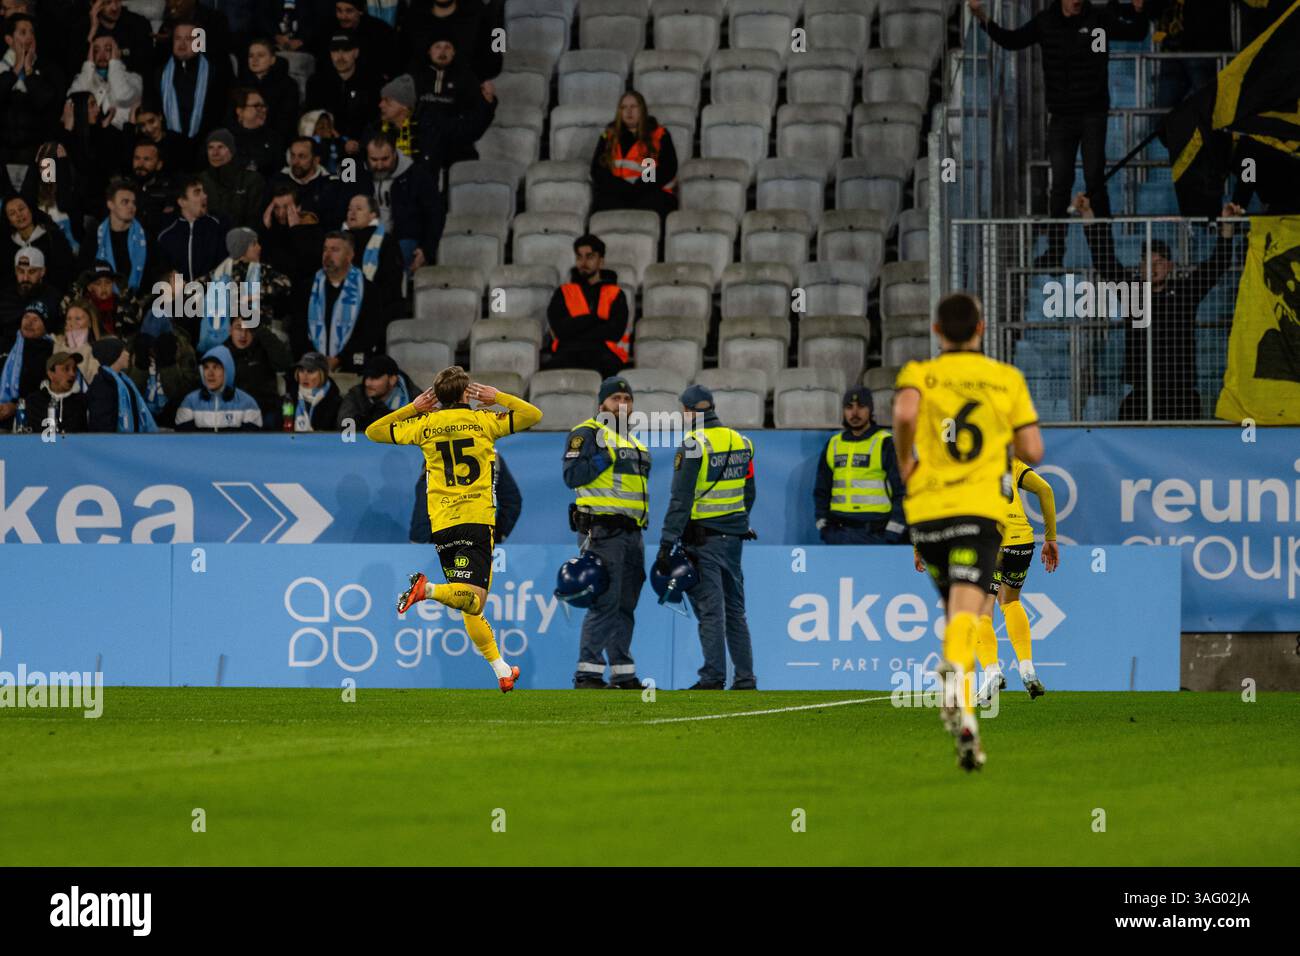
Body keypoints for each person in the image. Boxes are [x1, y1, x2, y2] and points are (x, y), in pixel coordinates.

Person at [891, 292, 1044, 771]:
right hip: (978, 509)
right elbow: (1033, 450)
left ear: (937, 332)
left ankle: (968, 723)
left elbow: (903, 414)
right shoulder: (1006, 378)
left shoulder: (920, 373)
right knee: (970, 606)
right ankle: (957, 674)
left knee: (963, 606)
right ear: (981, 328)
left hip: (928, 509)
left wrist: (905, 461)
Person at [367, 365, 544, 692]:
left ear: (438, 397)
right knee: (474, 601)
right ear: (467, 394)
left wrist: (413, 408)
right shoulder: (484, 422)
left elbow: (373, 432)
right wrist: (497, 397)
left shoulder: (425, 425)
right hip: (476, 519)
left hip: (443, 523)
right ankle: (427, 590)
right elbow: (533, 414)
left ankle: (501, 670)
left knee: (466, 600)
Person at [969, 0, 1149, 272]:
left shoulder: (1098, 18)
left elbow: (1136, 33)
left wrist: (1139, 11)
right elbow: (1012, 40)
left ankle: (1105, 256)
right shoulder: (1045, 21)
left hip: (1093, 113)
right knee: (1060, 185)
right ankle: (1055, 252)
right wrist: (983, 19)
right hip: (1061, 116)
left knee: (1094, 181)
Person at [1075, 192, 1243, 419]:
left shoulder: (1185, 292)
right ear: (1140, 266)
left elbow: (1218, 264)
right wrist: (1087, 214)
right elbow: (1104, 260)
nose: (1152, 268)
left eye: (1159, 262)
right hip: (1142, 391)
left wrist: (1227, 226)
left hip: (1180, 391)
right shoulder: (1132, 293)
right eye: (1147, 262)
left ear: (1170, 266)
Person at [657, 384, 758, 691]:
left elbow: (681, 497)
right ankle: (745, 678)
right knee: (735, 611)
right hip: (734, 538)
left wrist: (666, 541)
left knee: (711, 611)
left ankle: (712, 676)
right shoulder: (742, 441)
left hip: (703, 539)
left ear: (688, 412)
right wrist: (739, 521)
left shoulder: (692, 444)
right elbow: (748, 490)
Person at [562, 375, 651, 689]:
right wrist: (604, 457)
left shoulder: (636, 443)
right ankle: (588, 672)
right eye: (616, 400)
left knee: (625, 605)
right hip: (602, 530)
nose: (622, 405)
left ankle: (623, 671)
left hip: (632, 534)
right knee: (605, 603)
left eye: (627, 400)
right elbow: (572, 475)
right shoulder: (587, 433)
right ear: (602, 404)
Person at [970, 458, 1060, 704]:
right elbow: (1045, 490)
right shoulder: (1009, 461)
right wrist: (1050, 538)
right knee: (1010, 602)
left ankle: (991, 673)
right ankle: (1027, 668)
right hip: (1021, 541)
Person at [813, 387, 907, 545]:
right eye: (849, 407)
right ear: (843, 411)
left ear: (870, 410)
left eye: (861, 406)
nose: (855, 413)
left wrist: (892, 533)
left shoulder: (885, 443)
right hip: (839, 535)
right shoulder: (833, 444)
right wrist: (824, 527)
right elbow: (821, 491)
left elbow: (902, 492)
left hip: (877, 535)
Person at [410, 27, 497, 179]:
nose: (442, 52)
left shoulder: (467, 79)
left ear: (454, 52)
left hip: (458, 145)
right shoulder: (414, 78)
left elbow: (476, 122)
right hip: (419, 146)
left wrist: (488, 102)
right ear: (429, 51)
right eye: (437, 47)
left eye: (447, 47)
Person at [544, 234, 631, 380]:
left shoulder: (615, 294)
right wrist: (595, 319)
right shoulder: (564, 292)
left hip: (603, 354)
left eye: (589, 257)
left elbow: (614, 332)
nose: (583, 262)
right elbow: (560, 329)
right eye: (579, 257)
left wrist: (576, 327)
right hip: (567, 352)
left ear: (601, 261)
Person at [299, 230, 386, 371]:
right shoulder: (307, 288)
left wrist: (339, 360)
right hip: (310, 366)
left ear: (349, 256)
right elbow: (299, 329)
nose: (327, 255)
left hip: (352, 365)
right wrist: (316, 360)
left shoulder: (368, 290)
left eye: (335, 250)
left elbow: (370, 333)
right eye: (325, 249)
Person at [195, 226, 292, 352]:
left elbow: (286, 284)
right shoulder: (219, 274)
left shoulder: (263, 270)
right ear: (242, 248)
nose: (259, 247)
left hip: (259, 339)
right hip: (227, 342)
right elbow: (194, 289)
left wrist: (257, 293)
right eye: (254, 244)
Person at [358, 135, 444, 273]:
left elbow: (435, 215)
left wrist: (426, 250)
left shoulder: (417, 175)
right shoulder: (360, 174)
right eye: (374, 160)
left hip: (402, 238)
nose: (379, 165)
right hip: (366, 236)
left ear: (394, 153)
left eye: (385, 159)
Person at [591, 91, 679, 220]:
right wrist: (622, 188)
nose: (628, 111)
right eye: (624, 107)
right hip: (617, 192)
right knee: (600, 205)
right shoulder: (608, 136)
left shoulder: (659, 134)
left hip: (649, 191)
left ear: (642, 109)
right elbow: (597, 171)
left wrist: (638, 188)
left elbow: (668, 168)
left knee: (660, 204)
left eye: (633, 106)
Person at [152, 20, 227, 156]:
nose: (182, 44)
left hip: (204, 146)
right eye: (178, 38)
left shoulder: (214, 73)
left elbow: (219, 113)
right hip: (168, 147)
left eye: (188, 39)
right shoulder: (160, 74)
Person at [0, 13, 65, 167]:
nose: (29, 37)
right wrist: (16, 68)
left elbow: (47, 104)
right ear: (9, 40)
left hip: (37, 152)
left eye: (32, 32)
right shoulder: (1, 67)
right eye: (23, 33)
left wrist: (29, 71)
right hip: (3, 152)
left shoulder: (48, 69)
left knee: (47, 185)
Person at [410, 453, 520, 543]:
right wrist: (496, 536)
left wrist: (419, 544)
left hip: (445, 540)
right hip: (481, 540)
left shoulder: (435, 455)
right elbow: (512, 501)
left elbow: (425, 501)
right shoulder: (493, 457)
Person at [305, 30, 381, 147]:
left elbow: (375, 119)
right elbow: (311, 116)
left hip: (362, 145)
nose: (340, 57)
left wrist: (359, 142)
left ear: (356, 52)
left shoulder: (372, 82)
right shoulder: (316, 82)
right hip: (325, 143)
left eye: (346, 50)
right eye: (335, 51)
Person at [174, 344, 263, 431]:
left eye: (216, 367)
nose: (210, 374)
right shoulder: (190, 402)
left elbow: (250, 443)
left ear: (228, 371)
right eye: (206, 367)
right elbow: (186, 442)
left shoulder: (248, 403)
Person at [224, 316, 293, 429]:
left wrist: (262, 330)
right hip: (235, 415)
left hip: (266, 411)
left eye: (249, 329)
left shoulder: (264, 348)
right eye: (238, 328)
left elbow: (285, 363)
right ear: (230, 330)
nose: (243, 334)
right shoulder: (222, 353)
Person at [67, 32, 142, 130]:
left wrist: (114, 63)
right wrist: (89, 63)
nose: (102, 55)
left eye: (108, 49)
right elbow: (72, 102)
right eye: (96, 50)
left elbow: (122, 97)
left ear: (118, 51)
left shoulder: (134, 79)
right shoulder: (85, 76)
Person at [3, 194, 76, 294]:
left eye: (21, 209)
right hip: (15, 299)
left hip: (50, 296)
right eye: (12, 213)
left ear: (30, 209)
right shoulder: (6, 245)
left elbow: (64, 273)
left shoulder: (54, 237)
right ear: (9, 221)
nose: (19, 215)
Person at [343, 193, 404, 310]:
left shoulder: (386, 242)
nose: (352, 212)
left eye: (359, 209)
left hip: (376, 305)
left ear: (373, 215)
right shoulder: (337, 240)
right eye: (349, 209)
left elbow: (391, 284)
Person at [156, 178, 225, 281]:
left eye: (204, 192)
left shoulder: (217, 227)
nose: (205, 196)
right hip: (180, 296)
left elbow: (225, 267)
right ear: (182, 202)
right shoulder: (166, 235)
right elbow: (162, 273)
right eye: (197, 193)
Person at [91, 179, 152, 294]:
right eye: (125, 202)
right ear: (110, 204)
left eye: (133, 202)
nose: (131, 207)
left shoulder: (145, 237)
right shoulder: (94, 236)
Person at [85, 334, 157, 431]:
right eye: (123, 350)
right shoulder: (103, 384)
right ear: (113, 353)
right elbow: (102, 425)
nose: (127, 354)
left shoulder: (122, 379)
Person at [0, 302, 54, 426]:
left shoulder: (50, 352)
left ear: (45, 326)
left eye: (36, 319)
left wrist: (16, 406)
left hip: (29, 418)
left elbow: (45, 393)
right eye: (26, 317)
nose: (29, 323)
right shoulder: (6, 345)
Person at [199, 128, 265, 230]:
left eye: (220, 147)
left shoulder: (251, 180)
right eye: (210, 147)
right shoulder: (201, 180)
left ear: (231, 150)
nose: (215, 153)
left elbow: (255, 220)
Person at [271, 136, 344, 226]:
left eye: (302, 156)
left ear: (316, 160)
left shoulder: (331, 185)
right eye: (293, 155)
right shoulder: (278, 180)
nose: (295, 161)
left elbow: (333, 222)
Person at [237, 37, 299, 142]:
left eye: (260, 55)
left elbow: (286, 121)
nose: (254, 59)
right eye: (251, 56)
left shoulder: (288, 85)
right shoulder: (240, 83)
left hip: (274, 139)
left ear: (272, 60)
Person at [336, 352, 417, 431]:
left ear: (392, 380)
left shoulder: (415, 398)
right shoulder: (356, 395)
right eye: (366, 377)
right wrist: (369, 419)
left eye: (374, 378)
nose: (367, 383)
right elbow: (344, 425)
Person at [72, 0, 154, 77]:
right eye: (107, 2)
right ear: (93, 4)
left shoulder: (139, 24)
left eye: (118, 0)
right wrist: (92, 30)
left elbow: (145, 68)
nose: (115, 7)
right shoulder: (82, 28)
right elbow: (76, 70)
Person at [26, 349, 88, 433]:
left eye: (74, 369)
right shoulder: (34, 402)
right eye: (66, 369)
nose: (72, 374)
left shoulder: (83, 402)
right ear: (51, 374)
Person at [230, 87, 285, 179]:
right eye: (257, 106)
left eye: (264, 106)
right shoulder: (226, 137)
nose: (263, 110)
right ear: (240, 111)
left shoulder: (274, 139)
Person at [127, 139, 178, 236]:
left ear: (159, 165)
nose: (140, 164)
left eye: (147, 159)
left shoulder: (169, 191)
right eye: (137, 158)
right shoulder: (123, 189)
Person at [287, 350, 343, 431]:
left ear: (322, 374)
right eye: (301, 371)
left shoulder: (336, 404)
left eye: (310, 371)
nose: (305, 376)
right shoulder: (289, 399)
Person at [53, 297, 101, 380]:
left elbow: (92, 378)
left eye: (78, 319)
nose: (72, 323)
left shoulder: (98, 350)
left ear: (90, 323)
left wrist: (77, 346)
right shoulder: (57, 343)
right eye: (69, 319)